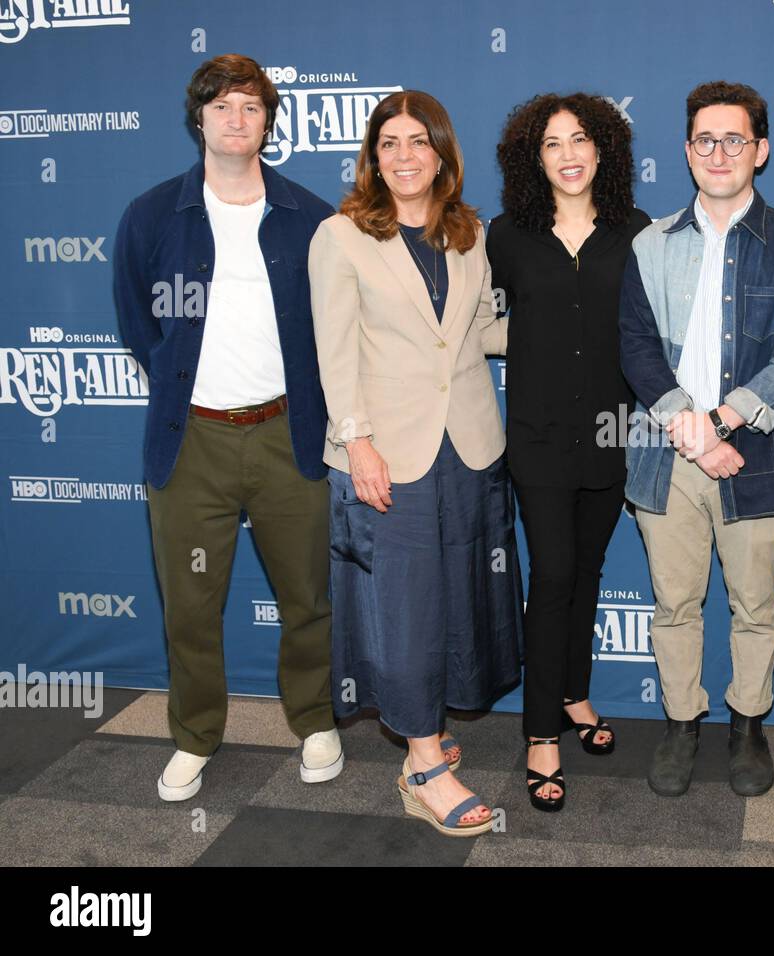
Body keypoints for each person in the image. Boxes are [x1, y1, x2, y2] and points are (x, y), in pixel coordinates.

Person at [113, 54, 340, 802]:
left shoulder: (312, 217)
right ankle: (193, 734)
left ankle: (312, 720)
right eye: (221, 107)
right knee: (191, 602)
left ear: (267, 122)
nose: (235, 120)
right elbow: (136, 323)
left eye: (250, 107)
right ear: (199, 119)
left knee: (307, 594)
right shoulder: (151, 216)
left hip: (288, 436)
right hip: (193, 442)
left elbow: (335, 329)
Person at [308, 90, 523, 838]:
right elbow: (334, 355)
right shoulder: (340, 236)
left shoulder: (470, 233)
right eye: (389, 143)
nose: (404, 156)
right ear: (374, 157)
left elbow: (484, 332)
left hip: (468, 446)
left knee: (456, 600)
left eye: (418, 143)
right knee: (402, 607)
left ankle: (427, 720)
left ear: (442, 155)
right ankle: (423, 762)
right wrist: (357, 439)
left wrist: (570, 318)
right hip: (384, 452)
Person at [620, 81, 774, 798]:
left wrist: (722, 422)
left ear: (760, 150)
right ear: (686, 151)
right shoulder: (650, 244)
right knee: (674, 604)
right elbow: (637, 347)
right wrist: (690, 427)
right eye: (705, 139)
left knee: (754, 606)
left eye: (734, 139)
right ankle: (681, 724)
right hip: (666, 458)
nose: (719, 152)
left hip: (757, 455)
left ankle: (747, 725)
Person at [487, 93, 651, 812]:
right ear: (535, 159)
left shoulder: (637, 231)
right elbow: (473, 324)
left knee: (587, 570)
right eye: (552, 143)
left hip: (614, 437)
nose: (568, 154)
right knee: (552, 575)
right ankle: (541, 730)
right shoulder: (506, 235)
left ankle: (577, 693)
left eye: (580, 139)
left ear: (603, 151)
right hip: (539, 439)